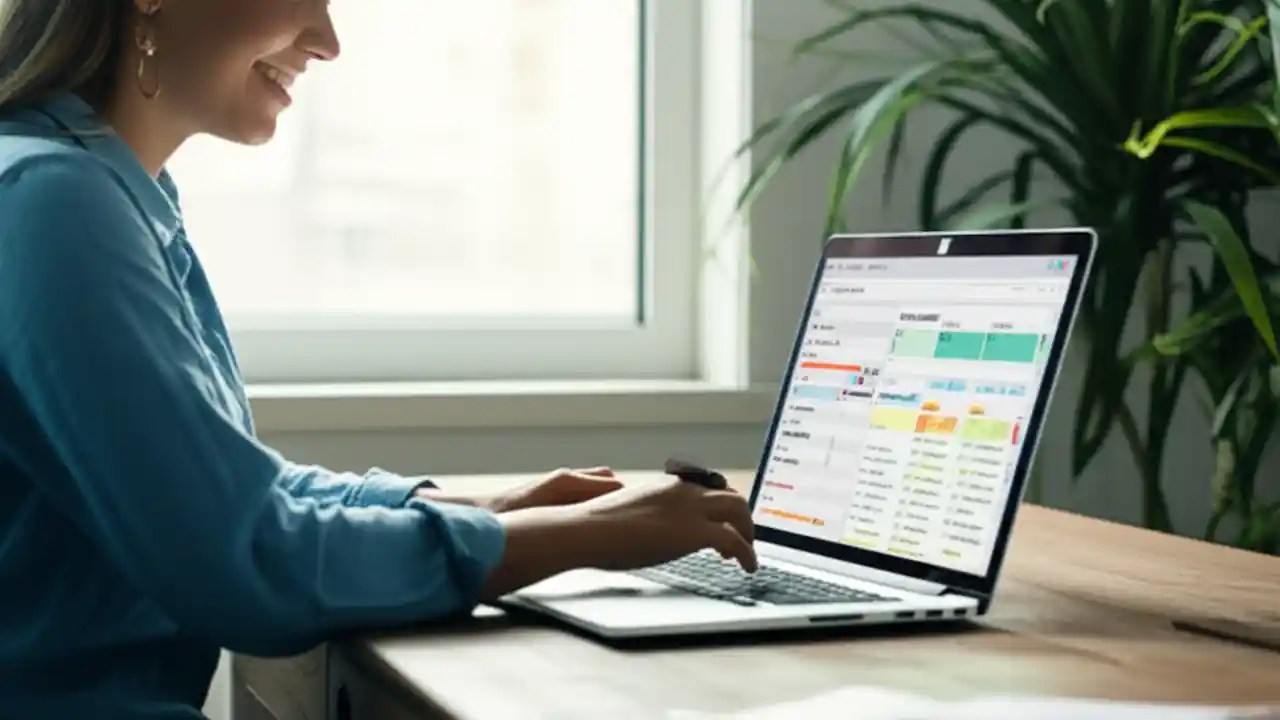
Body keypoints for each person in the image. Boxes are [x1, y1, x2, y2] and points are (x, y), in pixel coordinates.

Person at [0, 1, 758, 717]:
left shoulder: (100, 191)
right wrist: (589, 537)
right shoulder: (57, 204)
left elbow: (238, 497)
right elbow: (248, 560)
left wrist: (486, 511)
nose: (326, 40)